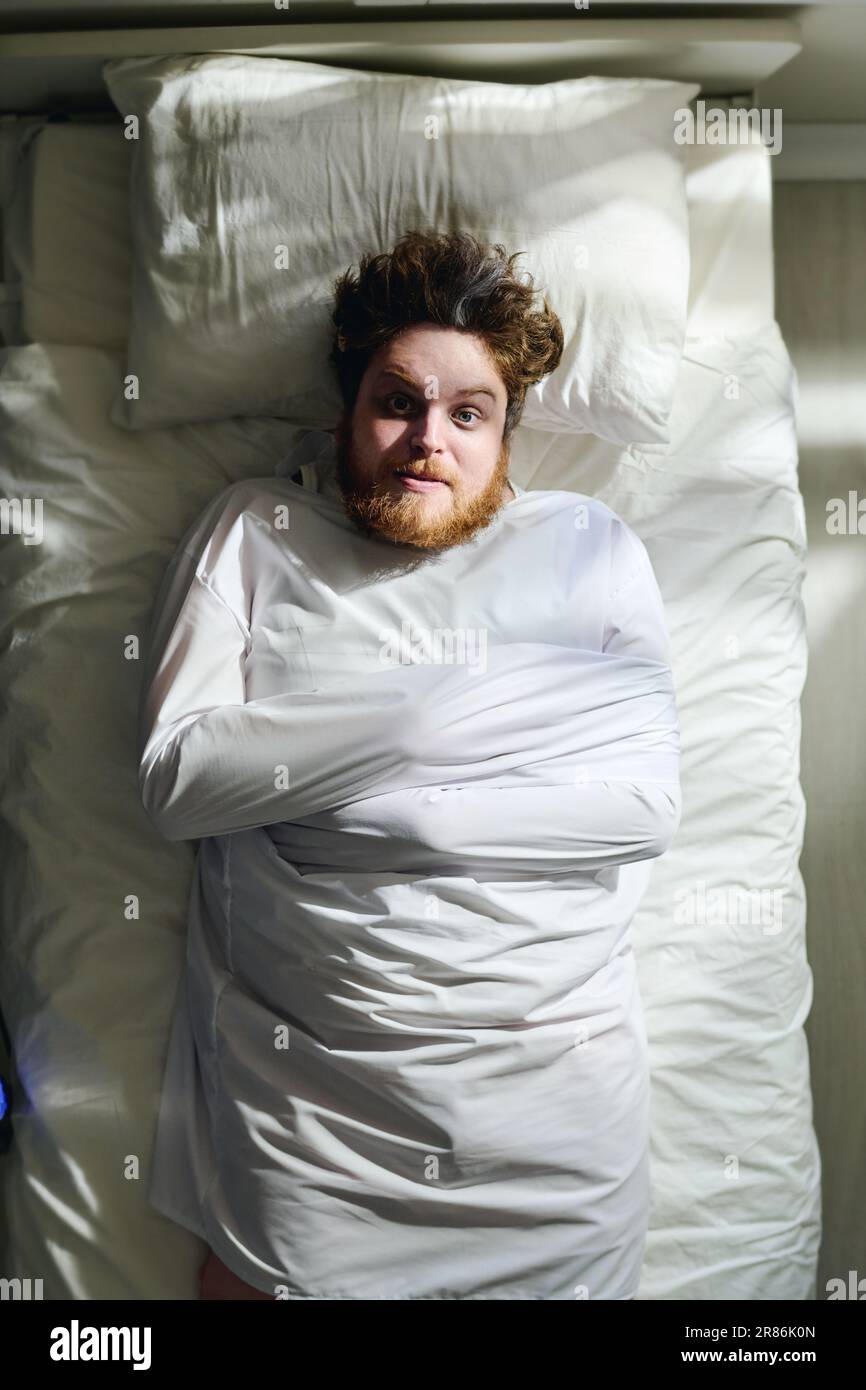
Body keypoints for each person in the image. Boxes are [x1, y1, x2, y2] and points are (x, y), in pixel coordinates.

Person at [138, 229, 681, 1301]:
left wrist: (357, 803)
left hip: (550, 1122)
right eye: (397, 401)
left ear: (504, 435)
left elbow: (639, 807)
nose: (427, 439)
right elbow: (180, 781)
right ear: (347, 409)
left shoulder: (588, 546)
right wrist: (438, 716)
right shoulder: (256, 532)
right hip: (314, 1115)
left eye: (467, 413)